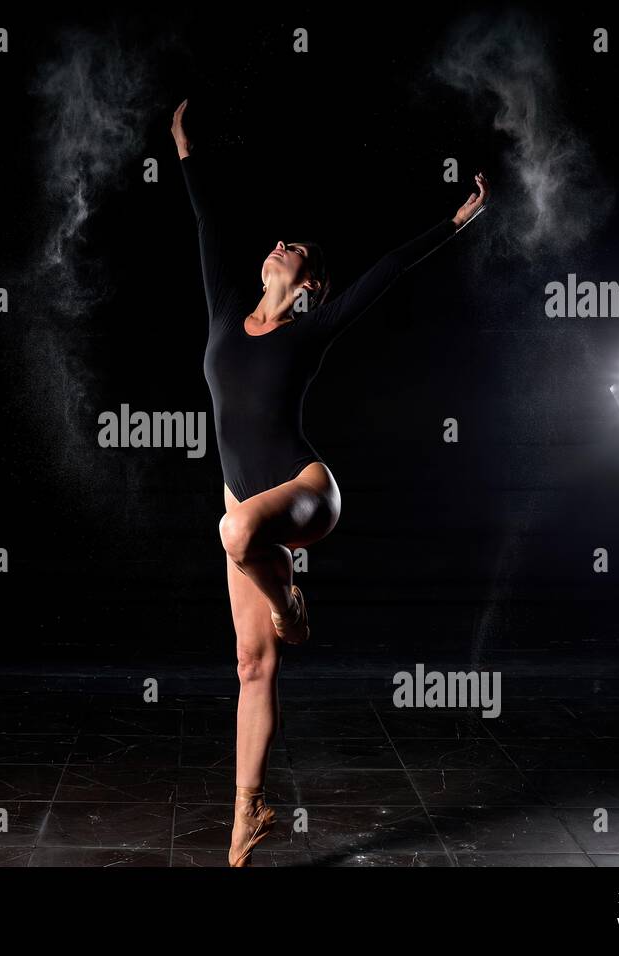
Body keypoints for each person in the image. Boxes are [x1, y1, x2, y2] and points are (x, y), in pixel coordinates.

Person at [170, 98, 489, 866]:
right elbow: (209, 224)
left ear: (309, 283)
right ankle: (248, 814)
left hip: (306, 492)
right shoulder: (225, 312)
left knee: (237, 531)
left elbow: (387, 271)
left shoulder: (310, 330)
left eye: (298, 250)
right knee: (251, 664)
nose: (281, 245)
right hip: (242, 503)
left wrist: (454, 223)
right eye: (280, 242)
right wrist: (184, 150)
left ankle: (293, 606)